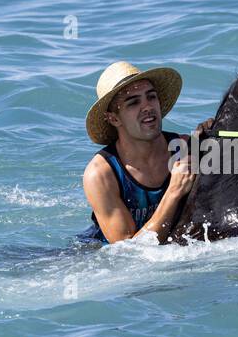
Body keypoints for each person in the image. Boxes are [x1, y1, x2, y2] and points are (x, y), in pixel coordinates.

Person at [78, 61, 198, 244]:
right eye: (133, 102)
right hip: (95, 253)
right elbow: (129, 251)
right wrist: (174, 191)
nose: (147, 106)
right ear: (114, 118)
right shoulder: (101, 174)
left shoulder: (185, 148)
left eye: (151, 97)